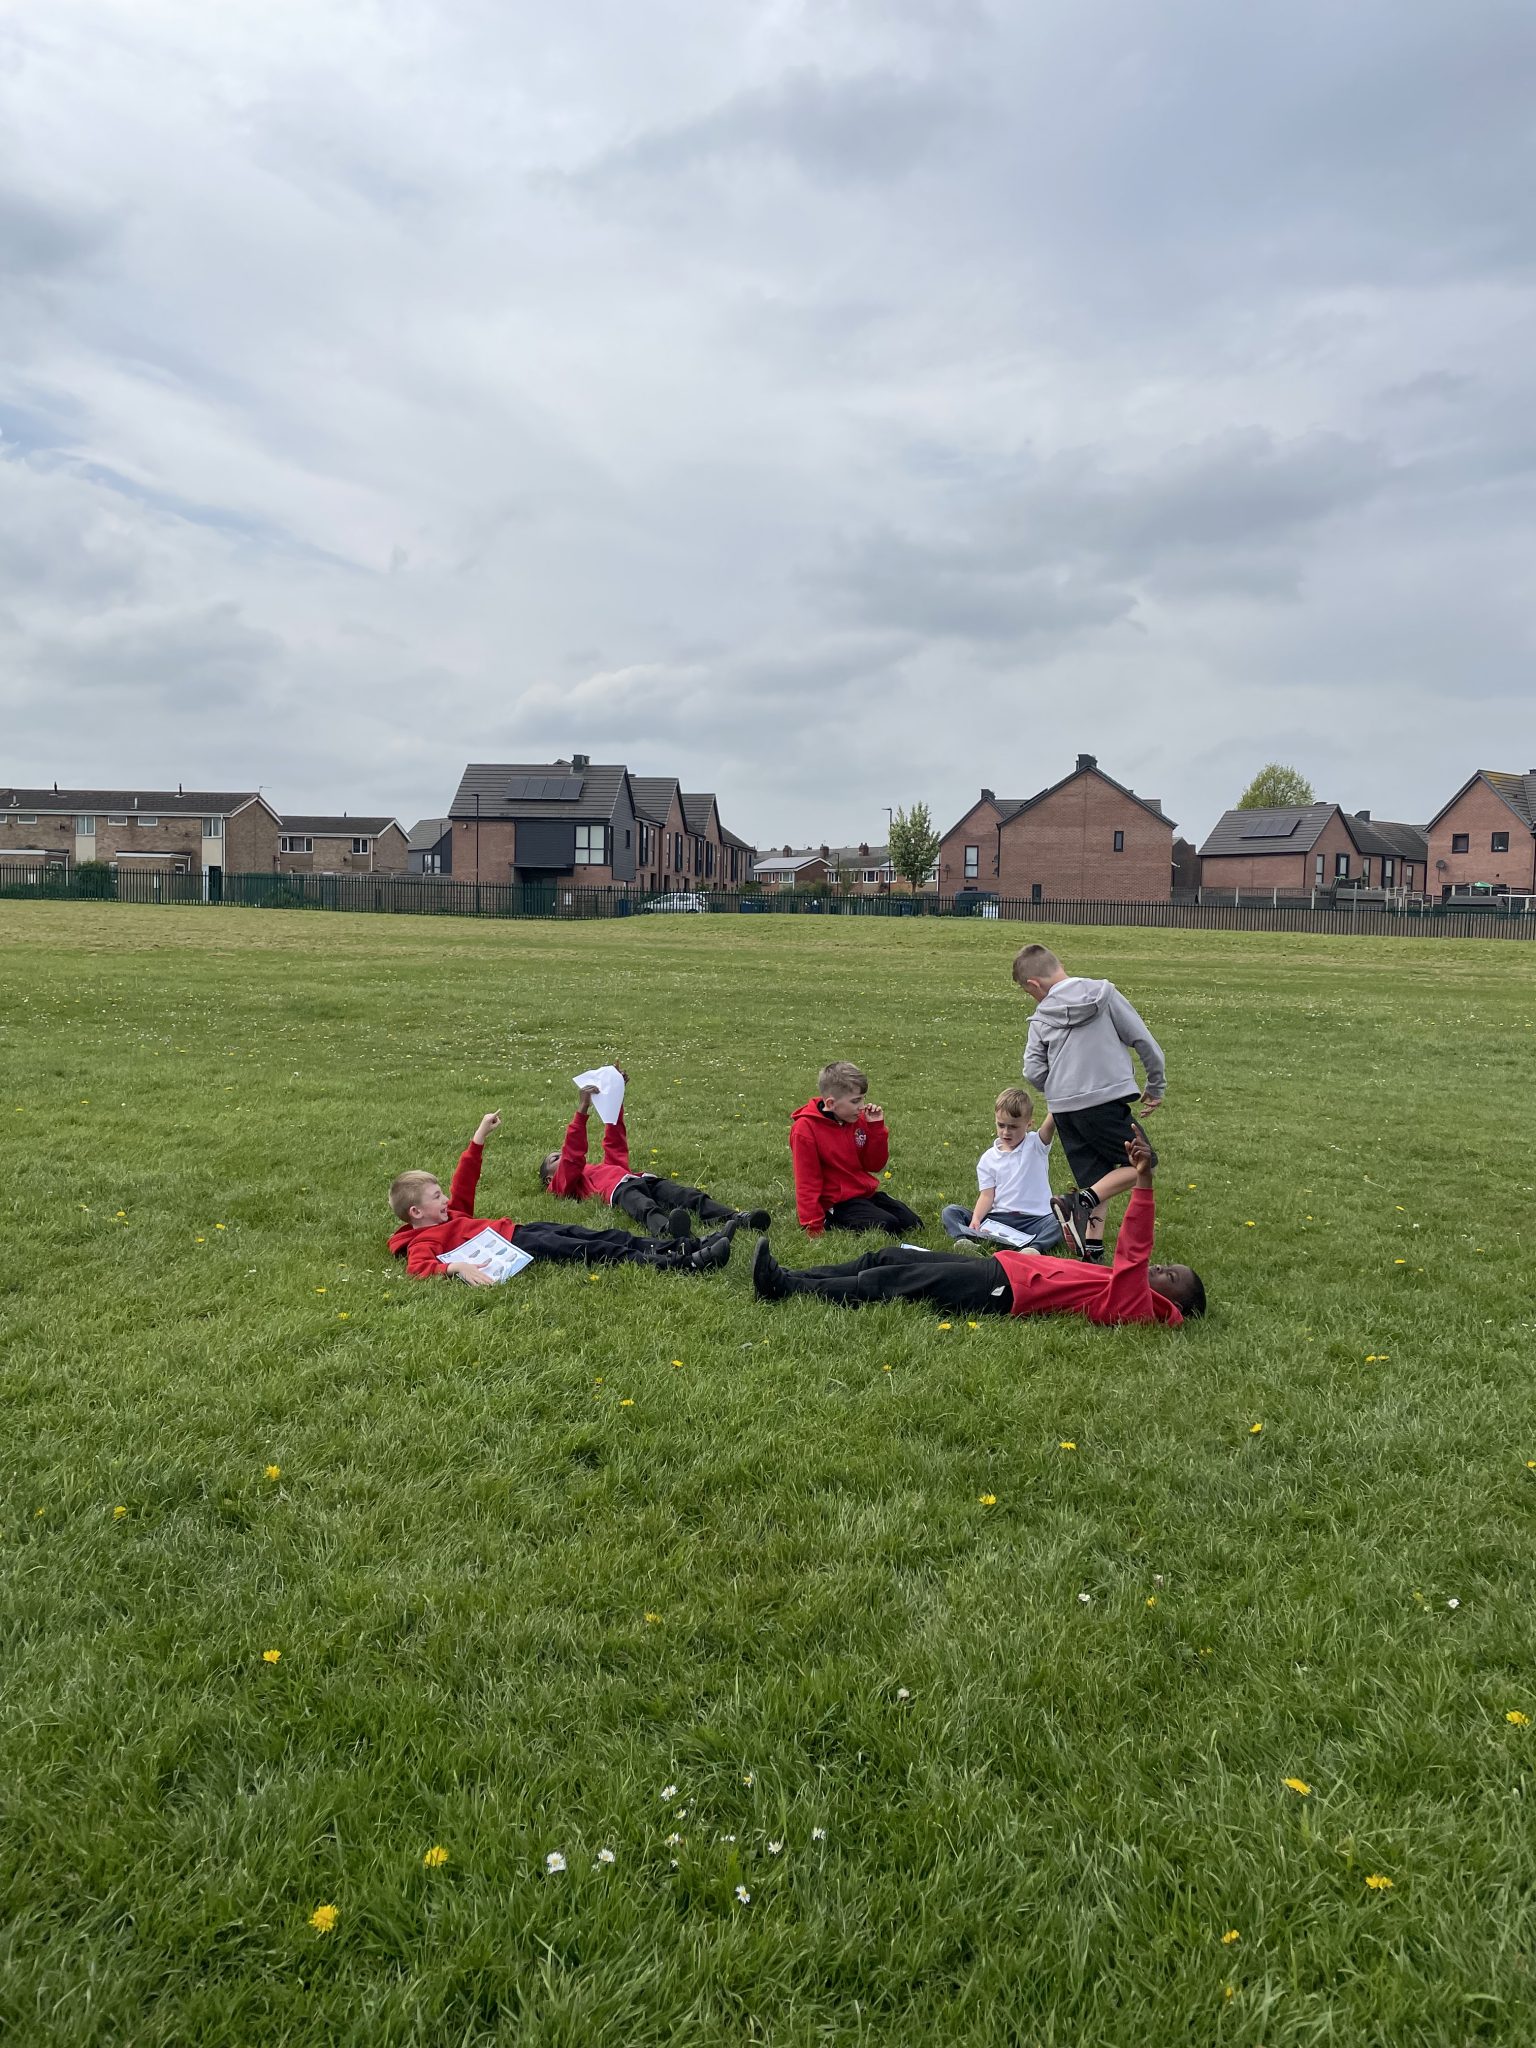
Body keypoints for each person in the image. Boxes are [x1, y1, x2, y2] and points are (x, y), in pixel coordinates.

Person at [753, 1131, 1203, 1324]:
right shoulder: (1127, 1292)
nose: (1161, 1268)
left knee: (894, 1279)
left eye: (1171, 1276)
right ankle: (794, 1276)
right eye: (1170, 1266)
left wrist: (1143, 1179)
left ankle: (788, 1288)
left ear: (1171, 1301)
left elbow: (1133, 1250)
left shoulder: (1135, 1306)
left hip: (1002, 1290)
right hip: (1004, 1269)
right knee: (890, 1256)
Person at [390, 1111, 733, 1281]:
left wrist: (479, 1136)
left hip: (522, 1230)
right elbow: (418, 1267)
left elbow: (465, 1180)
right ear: (417, 1212)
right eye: (437, 1197)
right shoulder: (422, 1240)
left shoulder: (454, 1214)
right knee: (595, 1249)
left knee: (599, 1234)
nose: (446, 1199)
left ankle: (685, 1245)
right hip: (521, 1247)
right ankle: (680, 1264)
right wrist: (455, 1268)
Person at [1014, 942, 1166, 1262]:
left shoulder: (1041, 1018)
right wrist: (1155, 1083)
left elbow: (1032, 1069)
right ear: (1060, 965)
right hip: (1104, 1103)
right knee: (1143, 1163)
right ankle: (1077, 1203)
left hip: (1064, 1111)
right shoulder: (1105, 995)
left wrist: (1059, 1089)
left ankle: (1092, 1252)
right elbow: (1143, 1040)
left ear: (1033, 985)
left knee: (1099, 1178)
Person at [539, 1076, 770, 1239]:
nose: (561, 1155)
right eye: (554, 1158)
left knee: (687, 1195)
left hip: (639, 1179)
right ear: (550, 1180)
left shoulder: (599, 1169)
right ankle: (668, 1229)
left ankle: (737, 1218)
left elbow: (615, 1143)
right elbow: (573, 1158)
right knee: (643, 1206)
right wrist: (582, 1110)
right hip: (619, 1192)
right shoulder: (562, 1186)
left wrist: (615, 1096)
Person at [790, 1060, 921, 1238]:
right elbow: (807, 1181)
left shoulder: (855, 1119)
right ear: (831, 1103)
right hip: (837, 1201)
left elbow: (874, 1165)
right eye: (856, 1101)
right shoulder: (805, 1129)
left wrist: (876, 1129)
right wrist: (813, 1225)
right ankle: (831, 1218)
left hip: (864, 1194)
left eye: (863, 1098)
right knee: (885, 1226)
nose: (862, 1106)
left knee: (912, 1224)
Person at [940, 1086, 1063, 1252]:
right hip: (1000, 1219)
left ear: (1028, 1124)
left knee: (1060, 1221)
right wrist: (976, 1218)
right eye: (1001, 1125)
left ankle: (1034, 1249)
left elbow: (1050, 1124)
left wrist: (1062, 1094)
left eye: (1013, 1127)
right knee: (950, 1211)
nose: (1006, 1132)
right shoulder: (988, 1159)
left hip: (1036, 1219)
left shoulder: (1036, 1145)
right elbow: (987, 1195)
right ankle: (963, 1241)